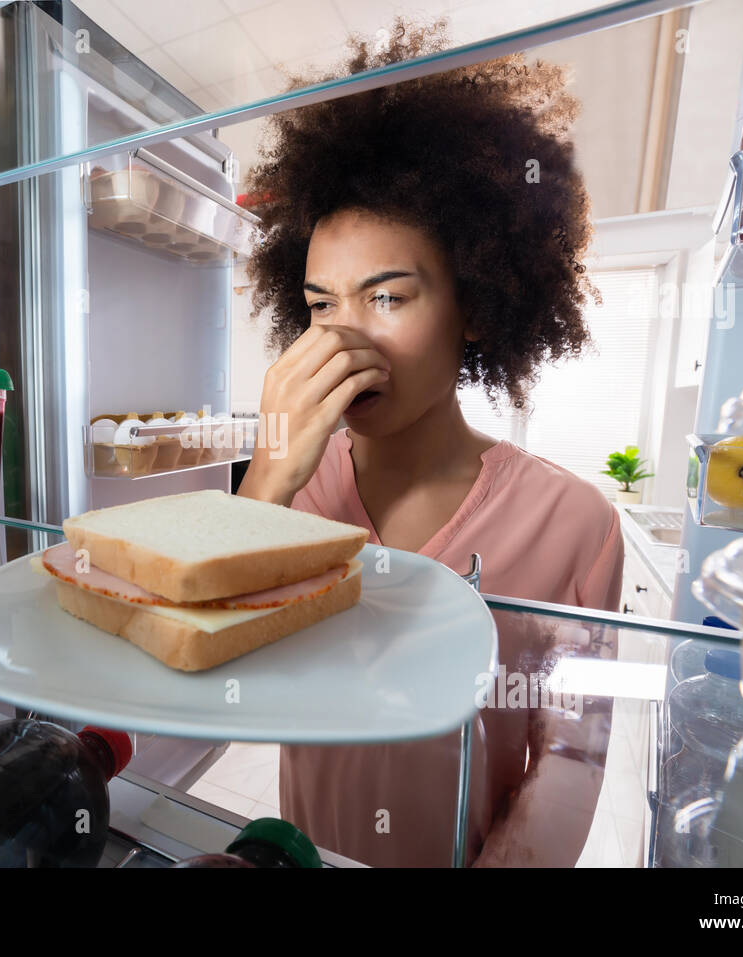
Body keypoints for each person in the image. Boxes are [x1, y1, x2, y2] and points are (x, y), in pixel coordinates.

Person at [236, 17, 625, 867]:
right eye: (320, 304)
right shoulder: (287, 496)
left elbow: (572, 750)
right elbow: (208, 678)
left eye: (389, 297)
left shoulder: (576, 523)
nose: (344, 339)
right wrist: (263, 481)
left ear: (476, 306)